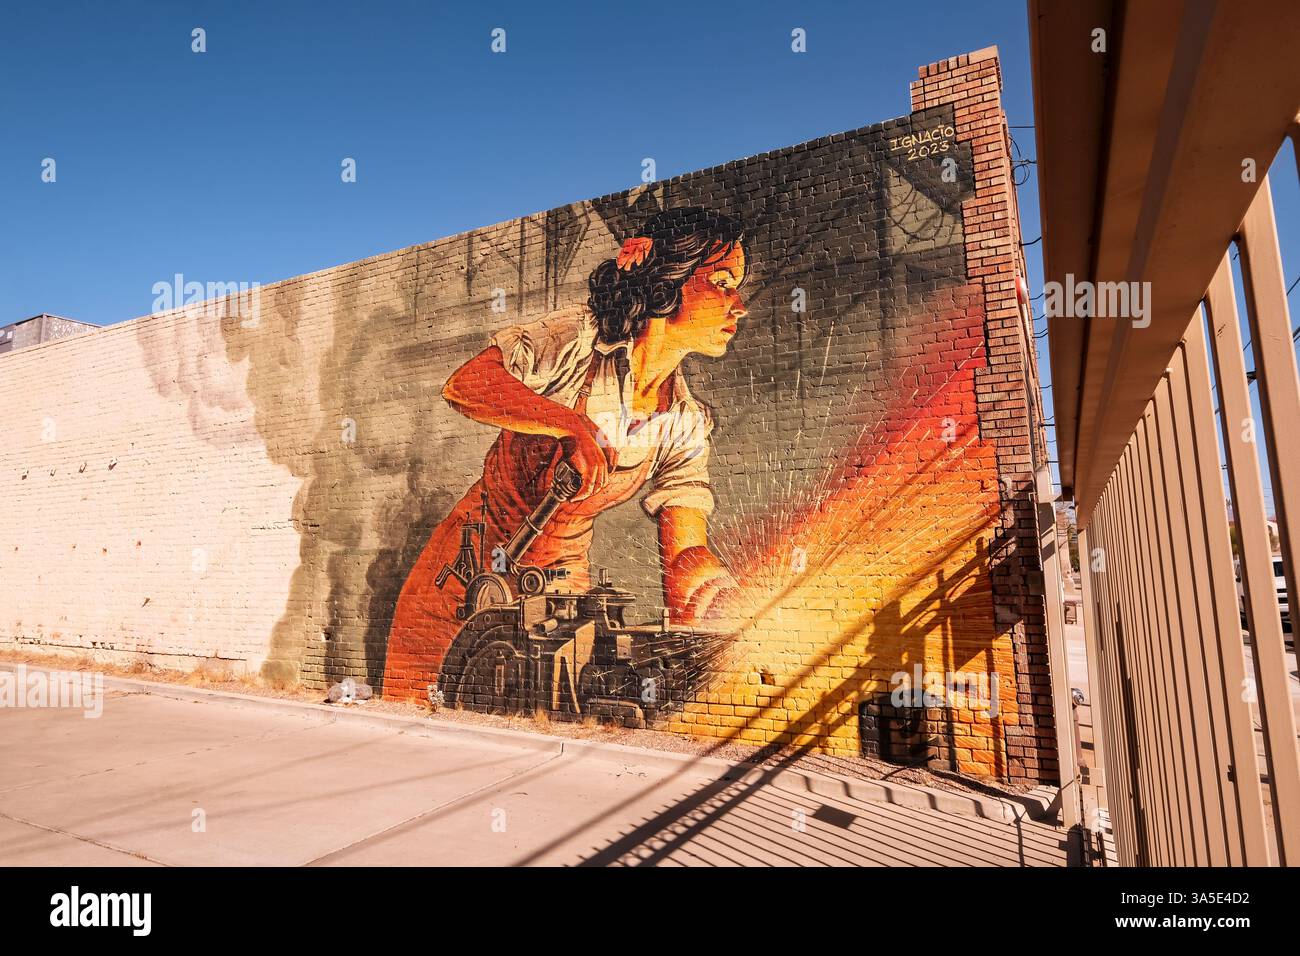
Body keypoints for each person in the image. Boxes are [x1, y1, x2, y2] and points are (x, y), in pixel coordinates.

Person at [382, 207, 748, 700]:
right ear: (667, 283)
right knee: (420, 708)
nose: (738, 305)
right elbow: (467, 384)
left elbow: (684, 552)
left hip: (558, 600)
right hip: (462, 582)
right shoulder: (578, 339)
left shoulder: (684, 422)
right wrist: (569, 424)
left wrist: (722, 603)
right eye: (722, 283)